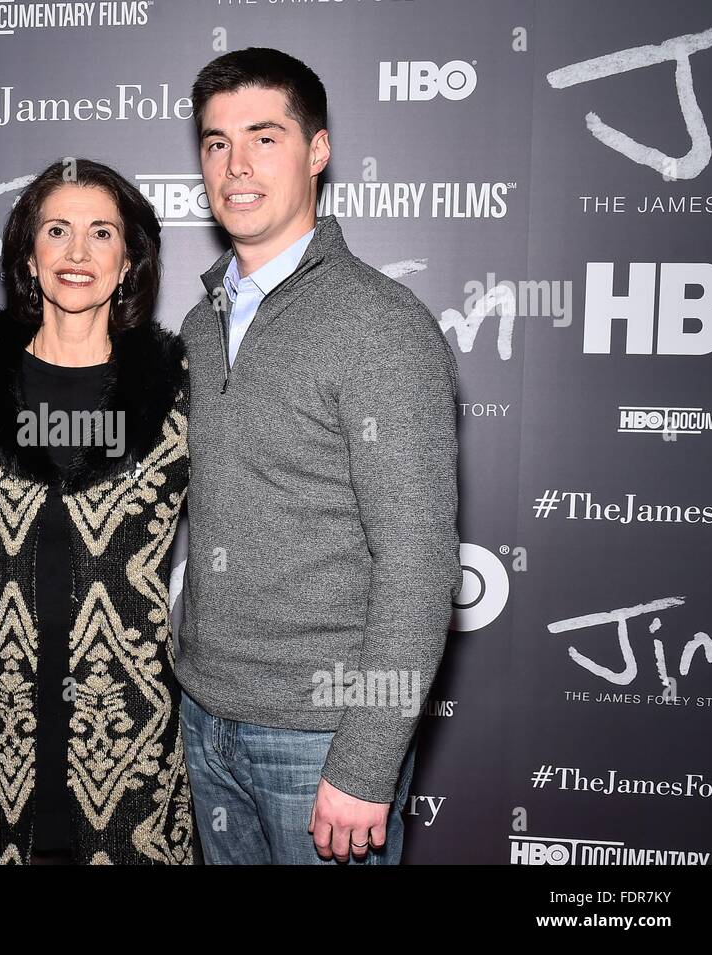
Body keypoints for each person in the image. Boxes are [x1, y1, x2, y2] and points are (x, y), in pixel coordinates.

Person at [177, 48, 461, 864]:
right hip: (204, 716)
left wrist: (367, 760)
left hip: (321, 737)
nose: (236, 165)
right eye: (216, 141)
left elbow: (417, 562)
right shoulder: (200, 326)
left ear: (319, 151)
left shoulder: (380, 324)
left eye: (265, 138)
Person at [0, 158, 192, 864]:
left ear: (129, 260)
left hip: (131, 726)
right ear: (29, 255)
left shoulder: (178, 391)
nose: (78, 253)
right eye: (57, 231)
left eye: (101, 233)